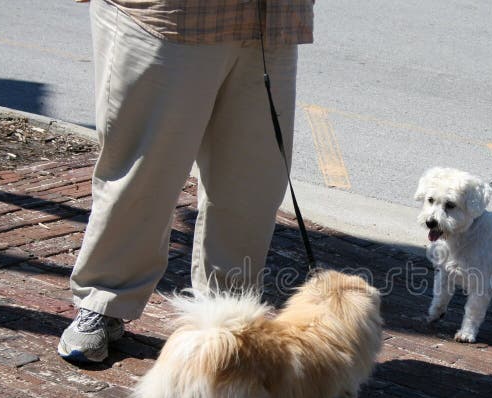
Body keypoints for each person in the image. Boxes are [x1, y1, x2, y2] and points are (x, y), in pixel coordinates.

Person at [57, 0, 314, 362]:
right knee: (143, 173)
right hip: (165, 15)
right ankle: (105, 300)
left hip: (270, 22)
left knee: (252, 187)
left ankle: (227, 318)